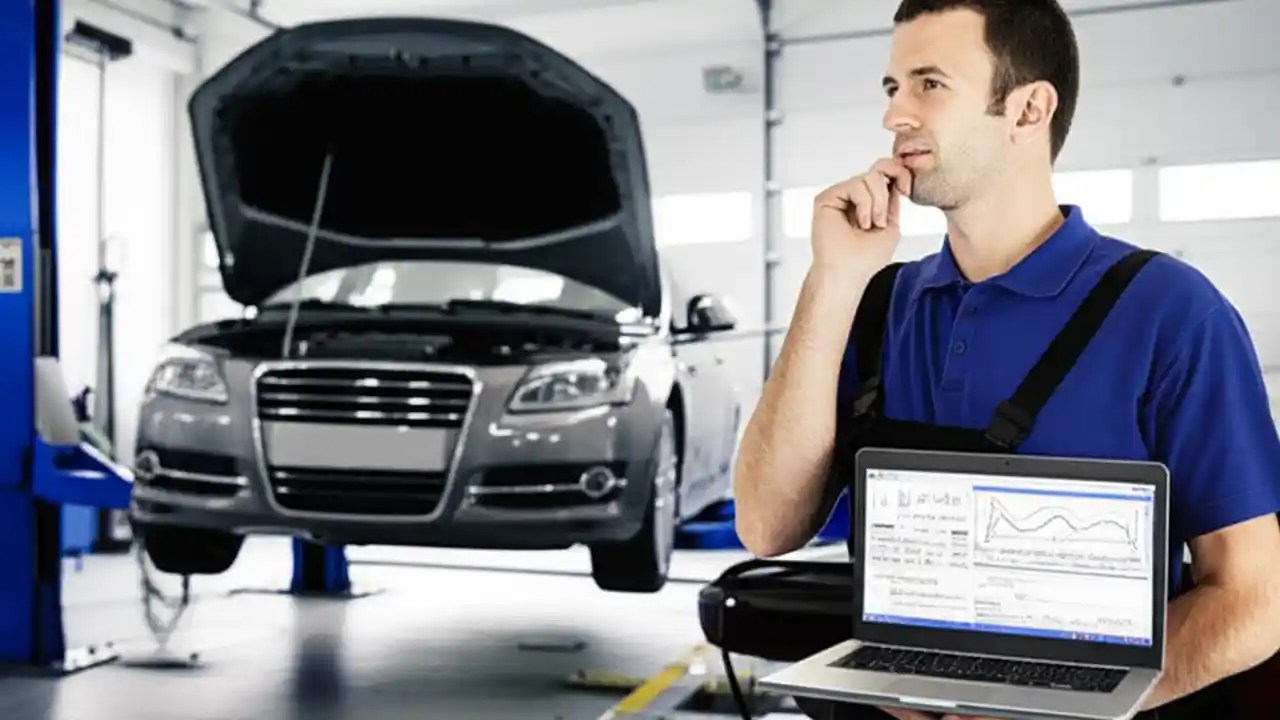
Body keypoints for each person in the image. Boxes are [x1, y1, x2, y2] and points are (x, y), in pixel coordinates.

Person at [731, 1, 1280, 718]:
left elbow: (1253, 599)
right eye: (893, 89)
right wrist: (832, 279)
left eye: (930, 83)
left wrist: (1034, 706)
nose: (896, 116)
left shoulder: (1170, 313)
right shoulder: (876, 303)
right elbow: (766, 528)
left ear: (1029, 109)